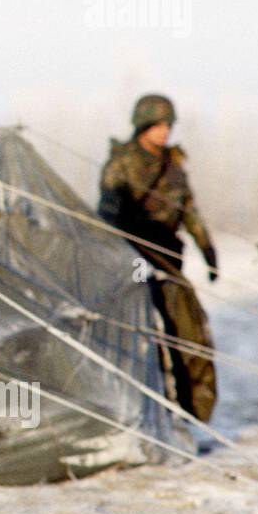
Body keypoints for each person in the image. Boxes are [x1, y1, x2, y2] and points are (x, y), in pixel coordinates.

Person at [98, 93, 218, 422]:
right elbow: (107, 215)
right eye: (158, 125)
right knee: (142, 340)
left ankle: (190, 416)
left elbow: (189, 211)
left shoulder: (174, 165)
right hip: (133, 264)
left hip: (169, 262)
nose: (164, 132)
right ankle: (146, 416)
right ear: (143, 126)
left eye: (168, 125)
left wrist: (208, 250)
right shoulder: (121, 163)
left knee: (190, 333)